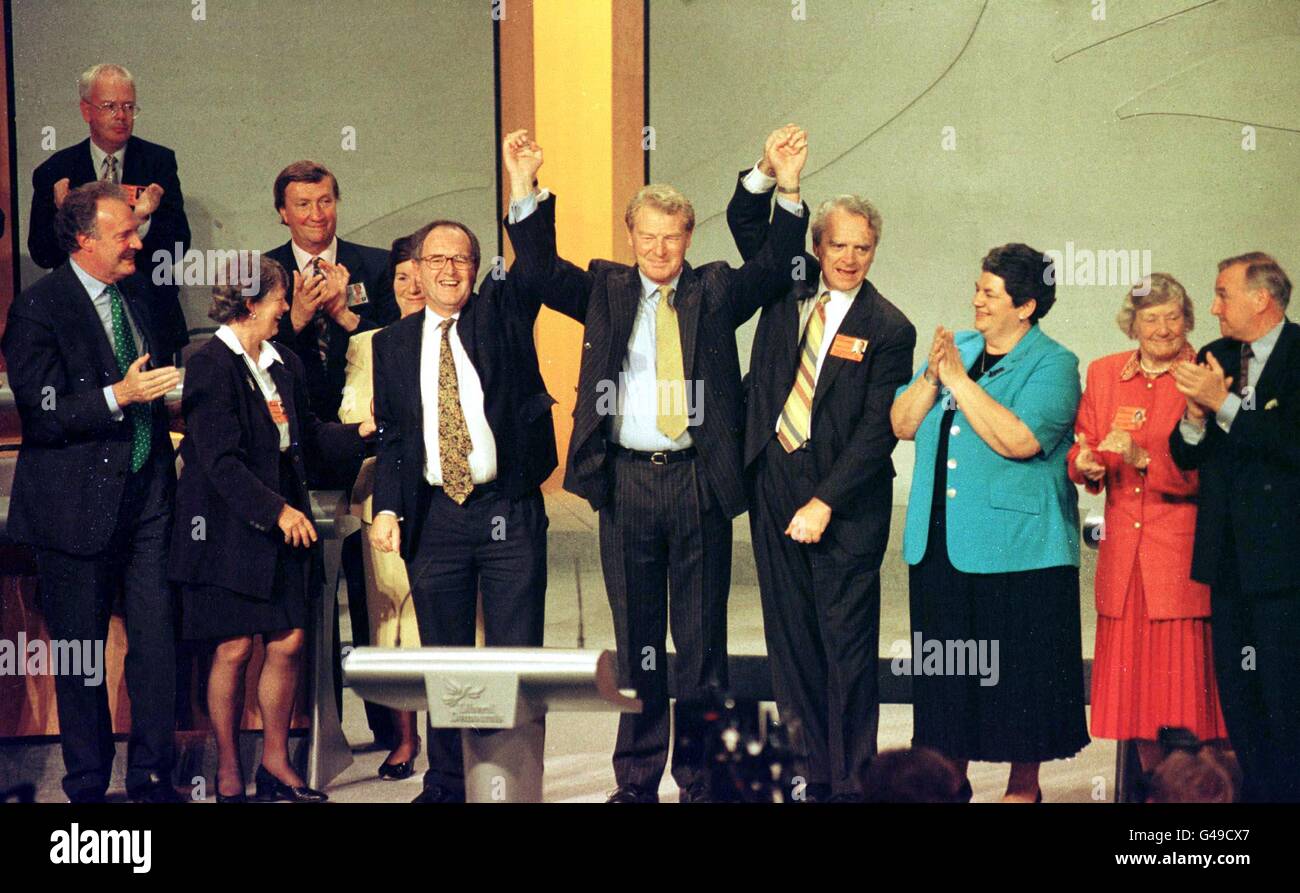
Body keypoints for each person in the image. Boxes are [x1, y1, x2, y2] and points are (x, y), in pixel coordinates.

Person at [503, 128, 808, 803]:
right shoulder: (605, 290)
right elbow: (537, 268)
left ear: (689, 238)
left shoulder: (716, 291)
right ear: (631, 235)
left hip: (699, 479)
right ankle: (636, 781)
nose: (660, 249)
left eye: (672, 236)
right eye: (647, 235)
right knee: (637, 643)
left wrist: (780, 181)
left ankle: (701, 781)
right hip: (628, 482)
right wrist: (523, 184)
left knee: (702, 645)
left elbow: (781, 261)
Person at [726, 125, 916, 801]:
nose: (850, 258)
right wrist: (780, 176)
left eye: (863, 247)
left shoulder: (890, 327)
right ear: (815, 247)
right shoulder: (786, 282)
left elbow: (875, 433)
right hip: (774, 478)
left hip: (844, 500)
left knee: (846, 649)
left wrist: (825, 500)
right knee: (792, 643)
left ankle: (855, 779)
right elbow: (745, 218)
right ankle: (811, 773)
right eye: (839, 244)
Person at [369, 202, 557, 804]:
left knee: (513, 657)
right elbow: (395, 437)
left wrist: (525, 190)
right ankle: (447, 782)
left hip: (507, 508)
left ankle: (512, 782)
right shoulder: (392, 344)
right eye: (436, 259)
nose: (449, 269)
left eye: (461, 259)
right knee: (444, 659)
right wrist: (389, 508)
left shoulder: (499, 316)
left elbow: (534, 266)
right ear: (416, 269)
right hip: (435, 515)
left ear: (476, 269)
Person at [3, 180, 182, 803]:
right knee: (81, 658)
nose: (137, 241)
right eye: (125, 233)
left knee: (157, 647)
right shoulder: (38, 308)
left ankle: (154, 778)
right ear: (84, 239)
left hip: (149, 500)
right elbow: (42, 411)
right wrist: (119, 397)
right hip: (72, 509)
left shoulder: (139, 297)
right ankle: (85, 786)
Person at [890, 243, 1088, 802]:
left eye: (990, 293)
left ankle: (1023, 789)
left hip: (1020, 552)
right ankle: (949, 781)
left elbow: (1021, 439)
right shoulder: (956, 349)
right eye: (978, 287)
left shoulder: (1055, 364)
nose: (976, 299)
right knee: (948, 680)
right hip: (940, 547)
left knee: (1020, 680)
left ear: (1024, 307)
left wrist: (958, 383)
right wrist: (933, 375)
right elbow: (902, 424)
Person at [170, 257, 370, 803]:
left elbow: (309, 438)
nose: (288, 306)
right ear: (252, 302)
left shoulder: (282, 362)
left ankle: (277, 764)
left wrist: (365, 431)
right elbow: (219, 460)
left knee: (288, 641)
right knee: (234, 649)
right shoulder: (209, 364)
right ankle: (229, 768)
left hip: (282, 523)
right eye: (281, 297)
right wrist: (277, 512)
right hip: (227, 528)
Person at [1067, 274, 1227, 772]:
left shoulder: (1206, 374)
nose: (1162, 328)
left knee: (1190, 710)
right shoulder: (1103, 372)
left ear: (1189, 320)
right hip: (1124, 568)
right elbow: (1082, 444)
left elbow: (1215, 473)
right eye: (1150, 317)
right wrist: (1086, 464)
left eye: (1173, 317)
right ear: (1132, 323)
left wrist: (1143, 458)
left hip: (1179, 565)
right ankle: (1153, 792)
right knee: (1134, 709)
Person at [265, 160, 398, 750]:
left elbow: (400, 345)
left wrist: (347, 314)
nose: (316, 216)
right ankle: (319, 731)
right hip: (295, 458)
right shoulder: (264, 271)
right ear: (283, 213)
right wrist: (295, 317)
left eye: (325, 202)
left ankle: (389, 727)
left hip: (368, 454)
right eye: (302, 205)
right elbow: (253, 355)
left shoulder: (377, 265)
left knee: (373, 597)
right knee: (306, 607)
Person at [1170, 252, 1299, 803]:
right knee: (1241, 698)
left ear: (1262, 299)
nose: (1214, 307)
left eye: (1223, 295)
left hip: (1286, 566)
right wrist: (1195, 419)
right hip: (1228, 563)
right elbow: (1187, 455)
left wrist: (1220, 403)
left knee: (1286, 697)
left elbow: (1287, 444)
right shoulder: (1215, 356)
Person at [27, 64, 192, 363]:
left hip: (150, 311)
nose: (121, 116)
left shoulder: (159, 162)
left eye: (129, 107)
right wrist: (67, 220)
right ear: (86, 110)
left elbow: (179, 242)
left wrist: (139, 224)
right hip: (79, 321)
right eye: (110, 106)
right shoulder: (56, 171)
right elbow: (42, 253)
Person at [339, 236, 426, 779]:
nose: (413, 286)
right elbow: (352, 414)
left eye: (420, 274)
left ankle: (460, 733)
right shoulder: (368, 344)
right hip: (385, 495)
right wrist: (373, 419)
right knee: (391, 619)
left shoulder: (465, 336)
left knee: (455, 623)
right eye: (401, 278)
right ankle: (403, 737)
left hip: (453, 497)